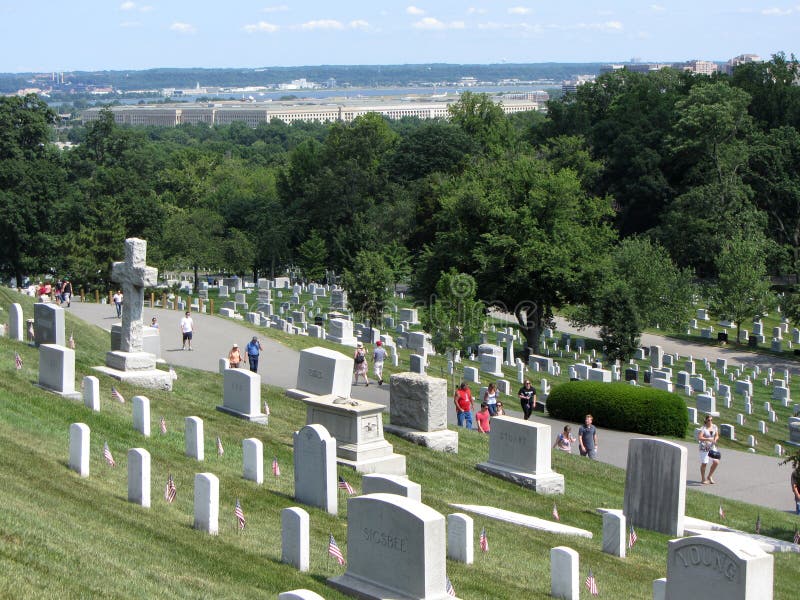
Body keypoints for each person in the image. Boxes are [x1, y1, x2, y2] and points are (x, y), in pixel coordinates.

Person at [698, 414, 719, 484]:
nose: (710, 421)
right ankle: (703, 479)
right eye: (709, 420)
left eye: (711, 420)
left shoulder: (714, 427)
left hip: (712, 447)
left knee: (716, 462)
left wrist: (715, 439)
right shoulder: (703, 428)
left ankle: (709, 476)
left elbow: (717, 435)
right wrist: (707, 439)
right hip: (704, 447)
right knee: (704, 463)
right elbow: (700, 437)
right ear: (706, 421)